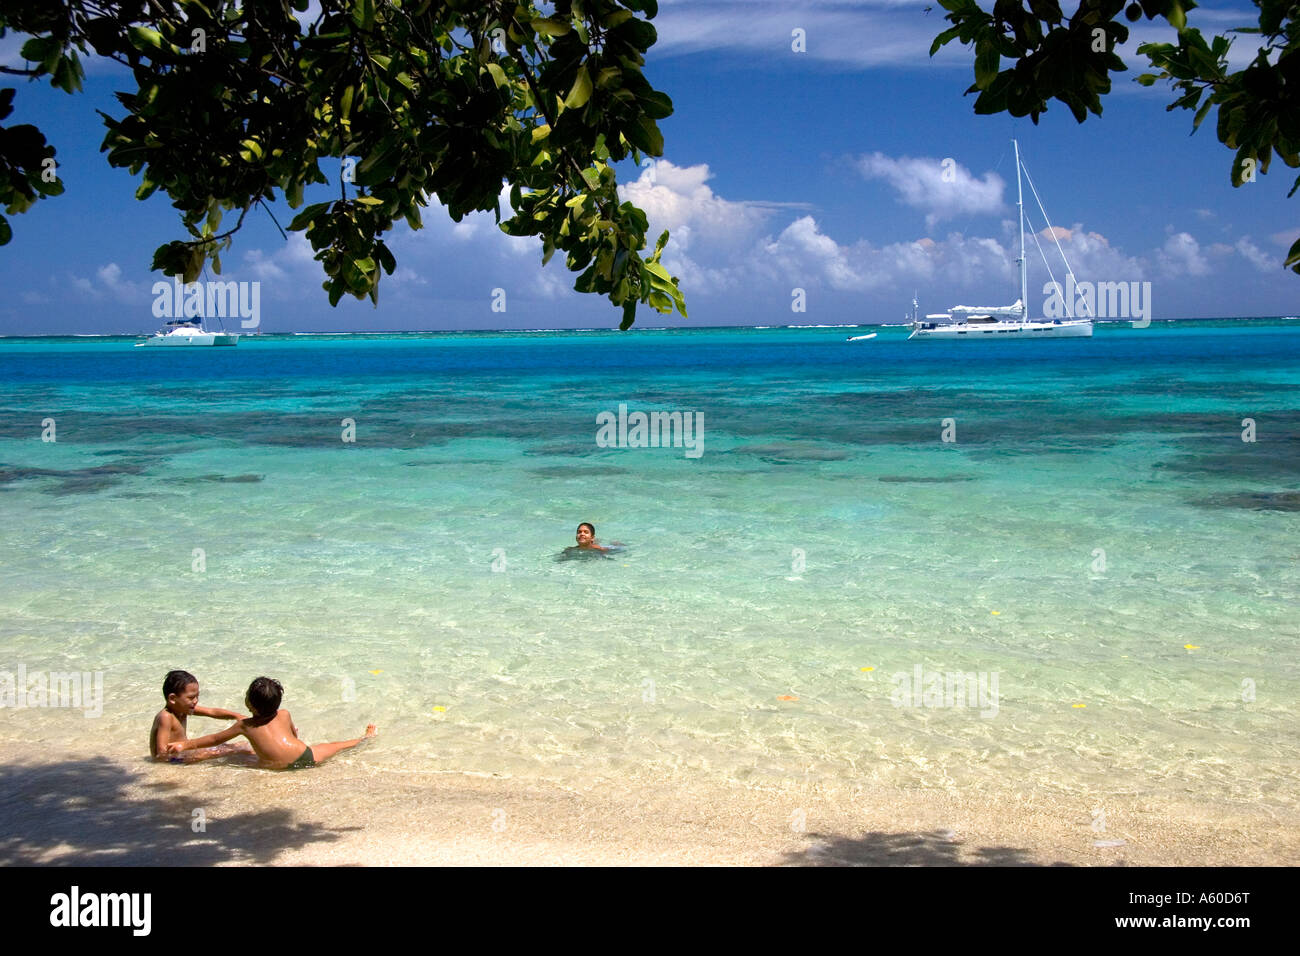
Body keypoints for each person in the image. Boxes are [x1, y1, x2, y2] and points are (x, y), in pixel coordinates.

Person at [168, 676, 376, 770]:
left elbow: (213, 739)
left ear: (249, 703)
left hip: (276, 767)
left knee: (232, 752)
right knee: (336, 746)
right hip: (306, 757)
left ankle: (180, 761)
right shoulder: (284, 714)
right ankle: (365, 739)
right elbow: (294, 737)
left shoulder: (245, 725)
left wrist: (185, 744)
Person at [149, 669, 250, 762]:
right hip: (176, 760)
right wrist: (184, 760)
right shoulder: (166, 717)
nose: (196, 701)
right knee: (236, 749)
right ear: (172, 698)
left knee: (237, 747)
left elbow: (212, 712)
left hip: (183, 753)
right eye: (191, 697)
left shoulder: (183, 709)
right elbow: (161, 753)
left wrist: (237, 716)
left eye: (197, 696)